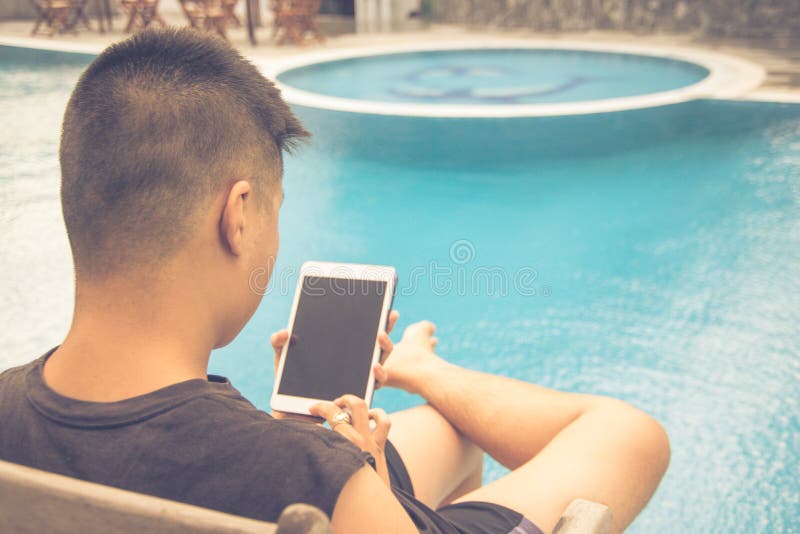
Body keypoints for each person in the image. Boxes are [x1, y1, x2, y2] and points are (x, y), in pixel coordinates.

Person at [0, 28, 669, 533]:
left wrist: (284, 431)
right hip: (356, 511)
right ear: (237, 216)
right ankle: (420, 369)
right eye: (275, 211)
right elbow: (252, 473)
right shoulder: (311, 477)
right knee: (629, 432)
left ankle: (419, 375)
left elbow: (170, 456)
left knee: (449, 431)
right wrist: (360, 477)